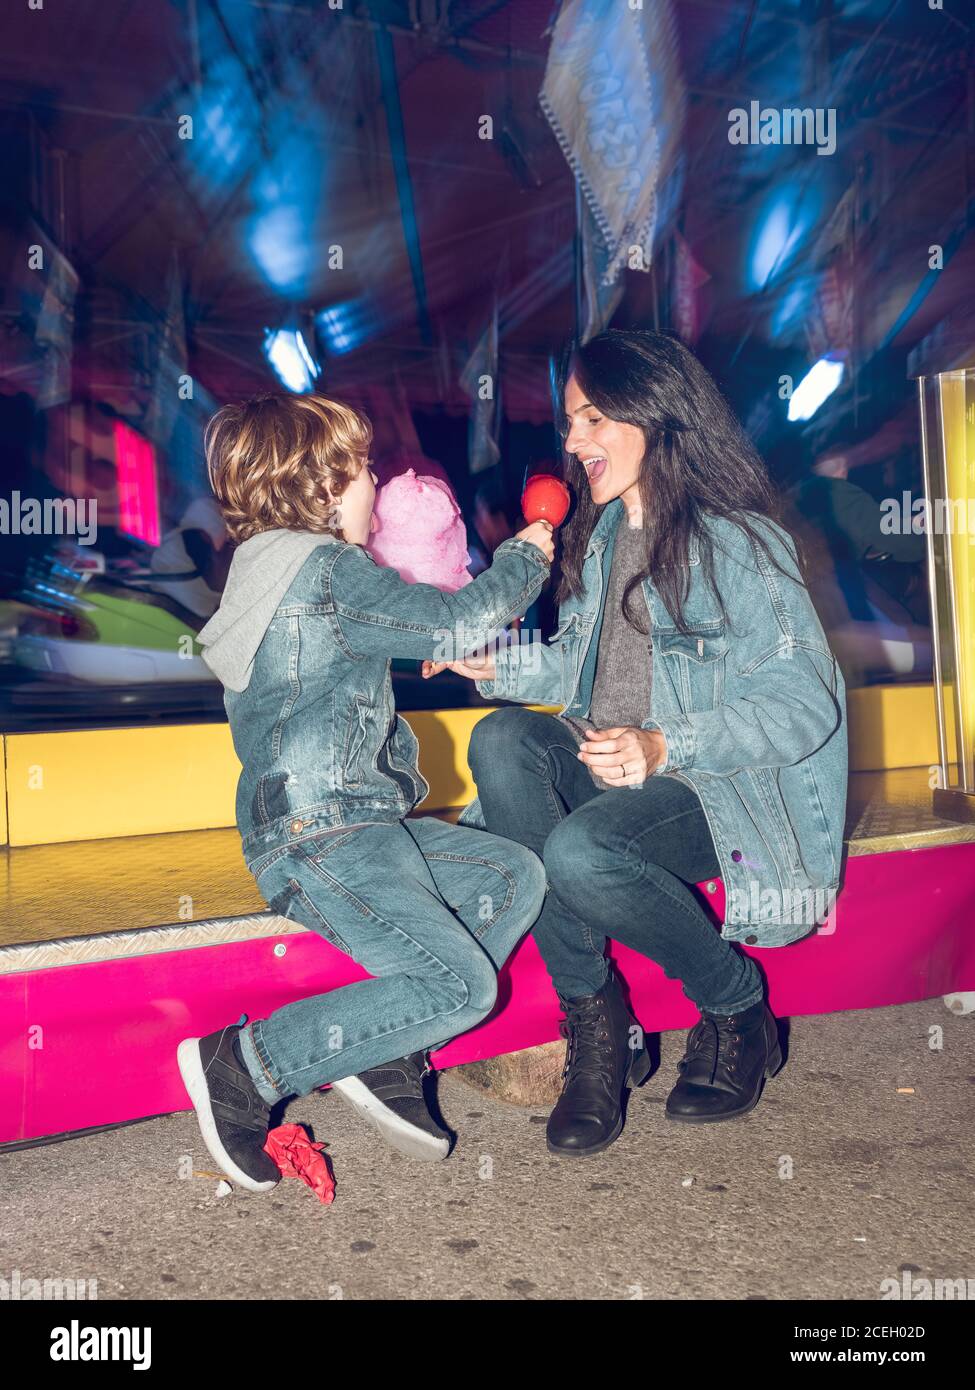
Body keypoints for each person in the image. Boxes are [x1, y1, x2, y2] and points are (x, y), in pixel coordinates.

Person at [424, 329, 847, 1158]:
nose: (571, 440)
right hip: (609, 764)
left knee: (579, 850)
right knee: (503, 737)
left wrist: (662, 744)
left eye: (591, 418)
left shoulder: (740, 543)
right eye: (569, 422)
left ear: (654, 414)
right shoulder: (603, 535)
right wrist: (494, 662)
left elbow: (804, 702)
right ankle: (599, 1027)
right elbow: (583, 668)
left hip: (712, 789)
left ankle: (735, 1008)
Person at [177, 391, 553, 1192]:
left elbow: (350, 648)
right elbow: (460, 619)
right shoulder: (325, 570)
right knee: (461, 986)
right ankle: (246, 1063)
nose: (374, 486)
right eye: (361, 470)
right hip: (325, 832)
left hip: (347, 824)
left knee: (510, 873)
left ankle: (389, 1052)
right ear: (319, 485)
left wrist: (413, 636)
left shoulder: (269, 570)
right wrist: (526, 553)